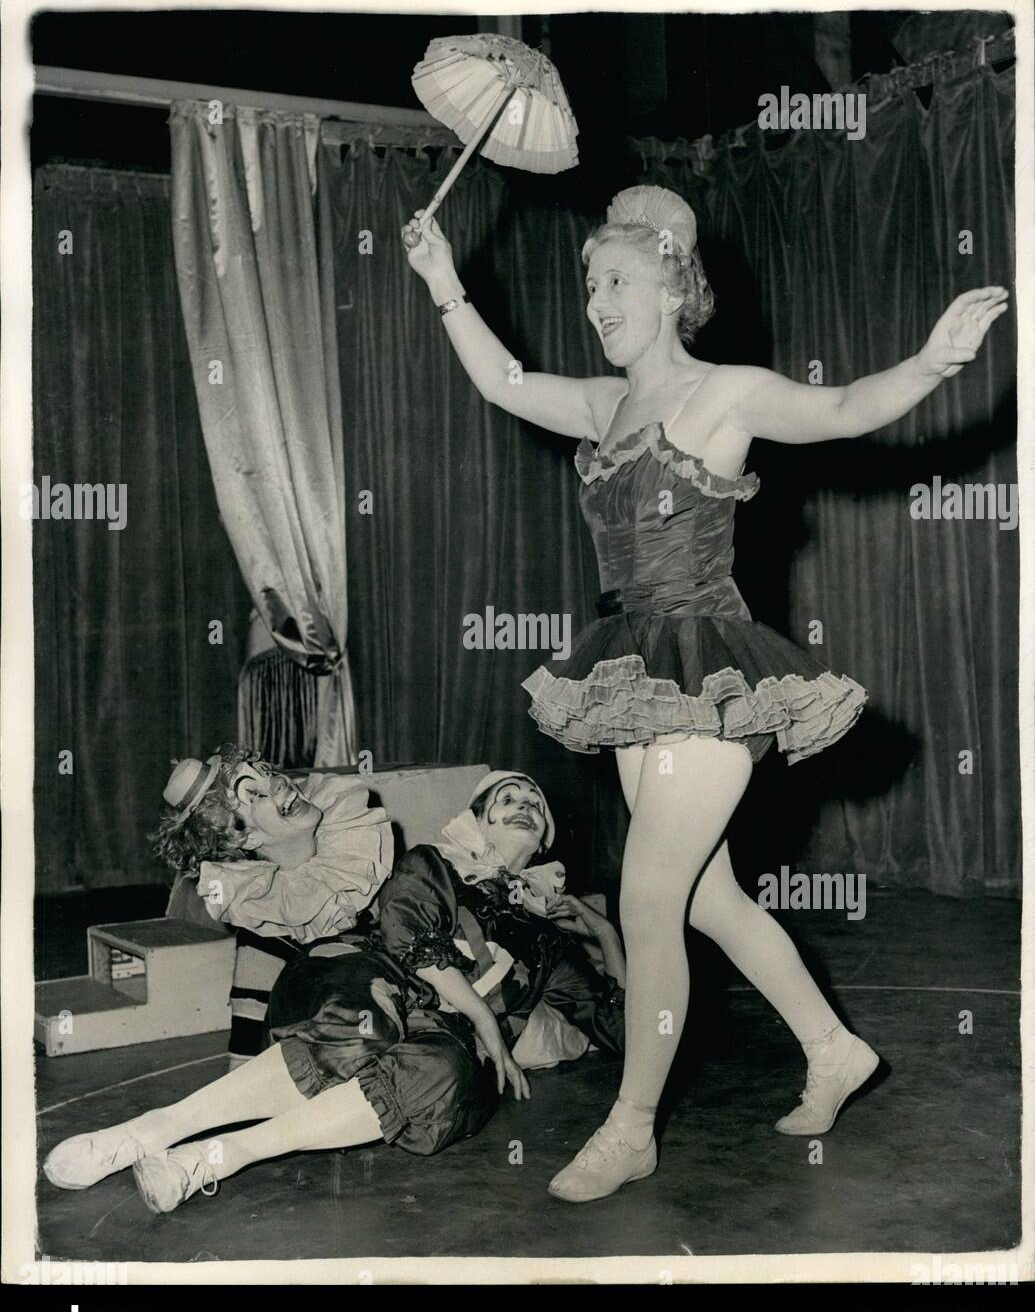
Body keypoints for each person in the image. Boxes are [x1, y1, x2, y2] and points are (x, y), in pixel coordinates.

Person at [402, 184, 1008, 1202]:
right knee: (711, 895)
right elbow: (505, 382)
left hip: (716, 676)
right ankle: (831, 1047)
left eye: (620, 280)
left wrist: (933, 361)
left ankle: (632, 1126)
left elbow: (848, 408)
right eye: (590, 281)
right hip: (634, 673)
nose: (597, 298)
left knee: (648, 900)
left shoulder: (725, 393)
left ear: (676, 288)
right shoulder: (604, 405)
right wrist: (443, 282)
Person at [43, 771, 625, 1214]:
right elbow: (409, 933)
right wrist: (487, 1021)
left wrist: (604, 931)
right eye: (508, 799)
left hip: (438, 1030)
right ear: (478, 818)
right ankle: (149, 1130)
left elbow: (620, 1023)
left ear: (545, 834)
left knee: (448, 1079)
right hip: (360, 975)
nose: (523, 807)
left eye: (533, 805)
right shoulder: (434, 864)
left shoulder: (550, 947)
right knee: (368, 1017)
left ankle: (210, 1158)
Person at [152, 743, 394, 1065]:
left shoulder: (362, 855)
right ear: (245, 838)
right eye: (254, 794)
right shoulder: (266, 935)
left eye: (267, 772)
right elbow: (243, 1061)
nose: (278, 782)